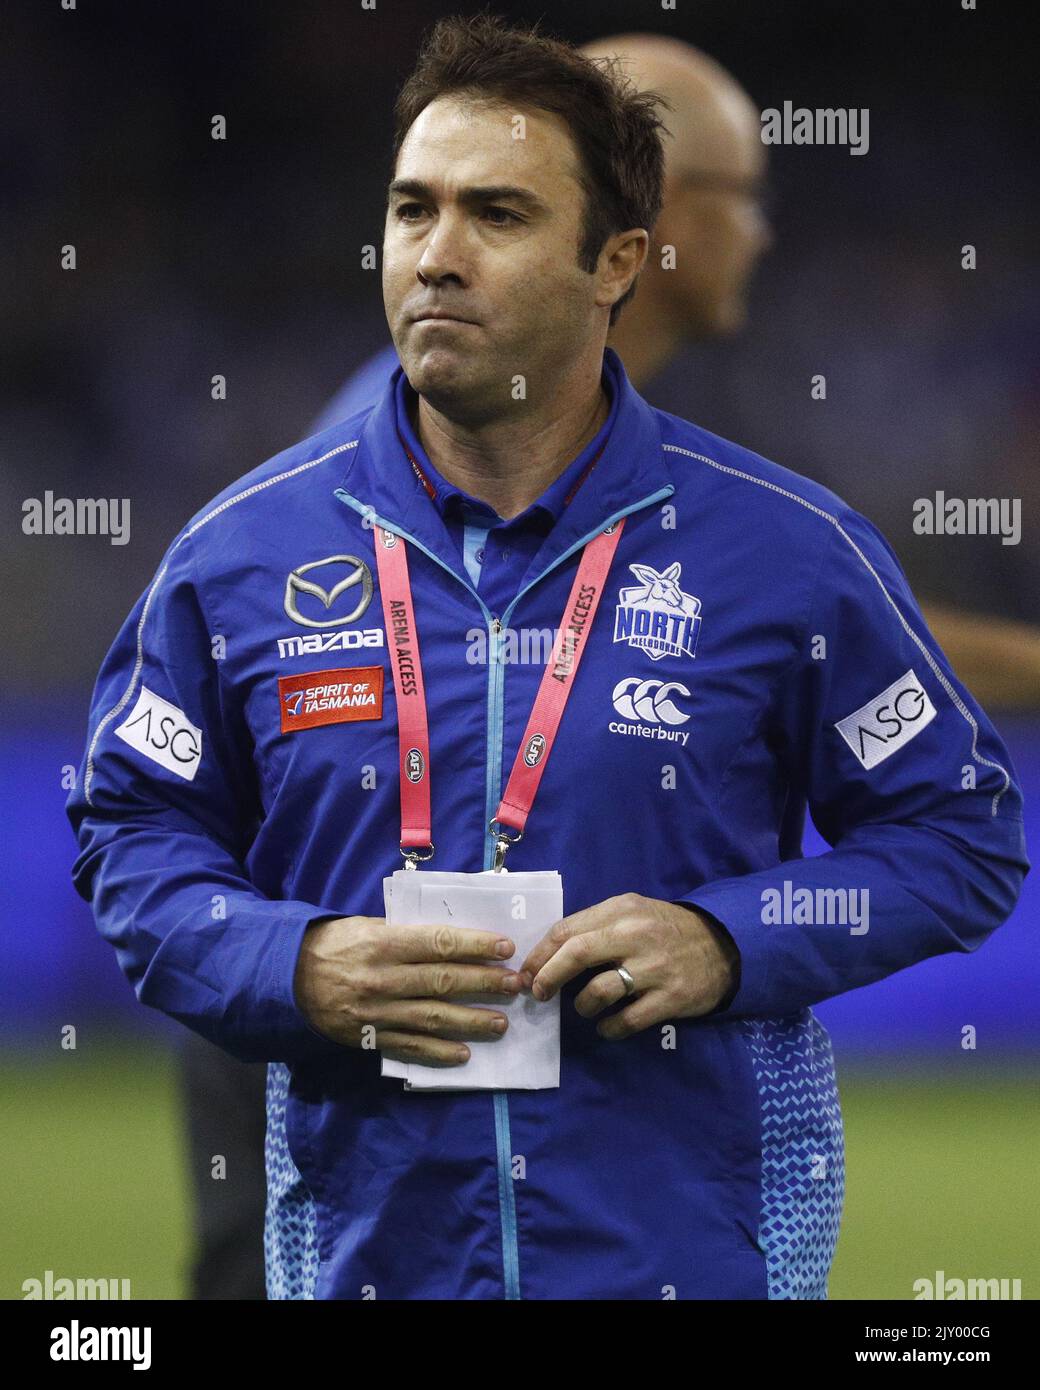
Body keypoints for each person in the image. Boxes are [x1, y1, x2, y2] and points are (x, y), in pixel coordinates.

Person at [68, 14, 1028, 1300]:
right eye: (413, 210)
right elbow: (132, 834)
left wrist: (726, 937)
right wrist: (289, 963)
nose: (436, 257)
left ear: (615, 260)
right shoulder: (235, 553)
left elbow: (956, 838)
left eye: (498, 215)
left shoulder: (787, 549)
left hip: (675, 1267)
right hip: (358, 1264)